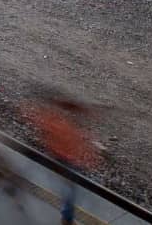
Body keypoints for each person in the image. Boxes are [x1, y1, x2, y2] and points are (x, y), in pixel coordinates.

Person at [27, 93, 100, 224]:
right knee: (70, 190)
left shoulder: (55, 120)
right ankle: (66, 219)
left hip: (62, 160)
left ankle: (67, 217)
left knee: (70, 189)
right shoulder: (60, 124)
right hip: (64, 161)